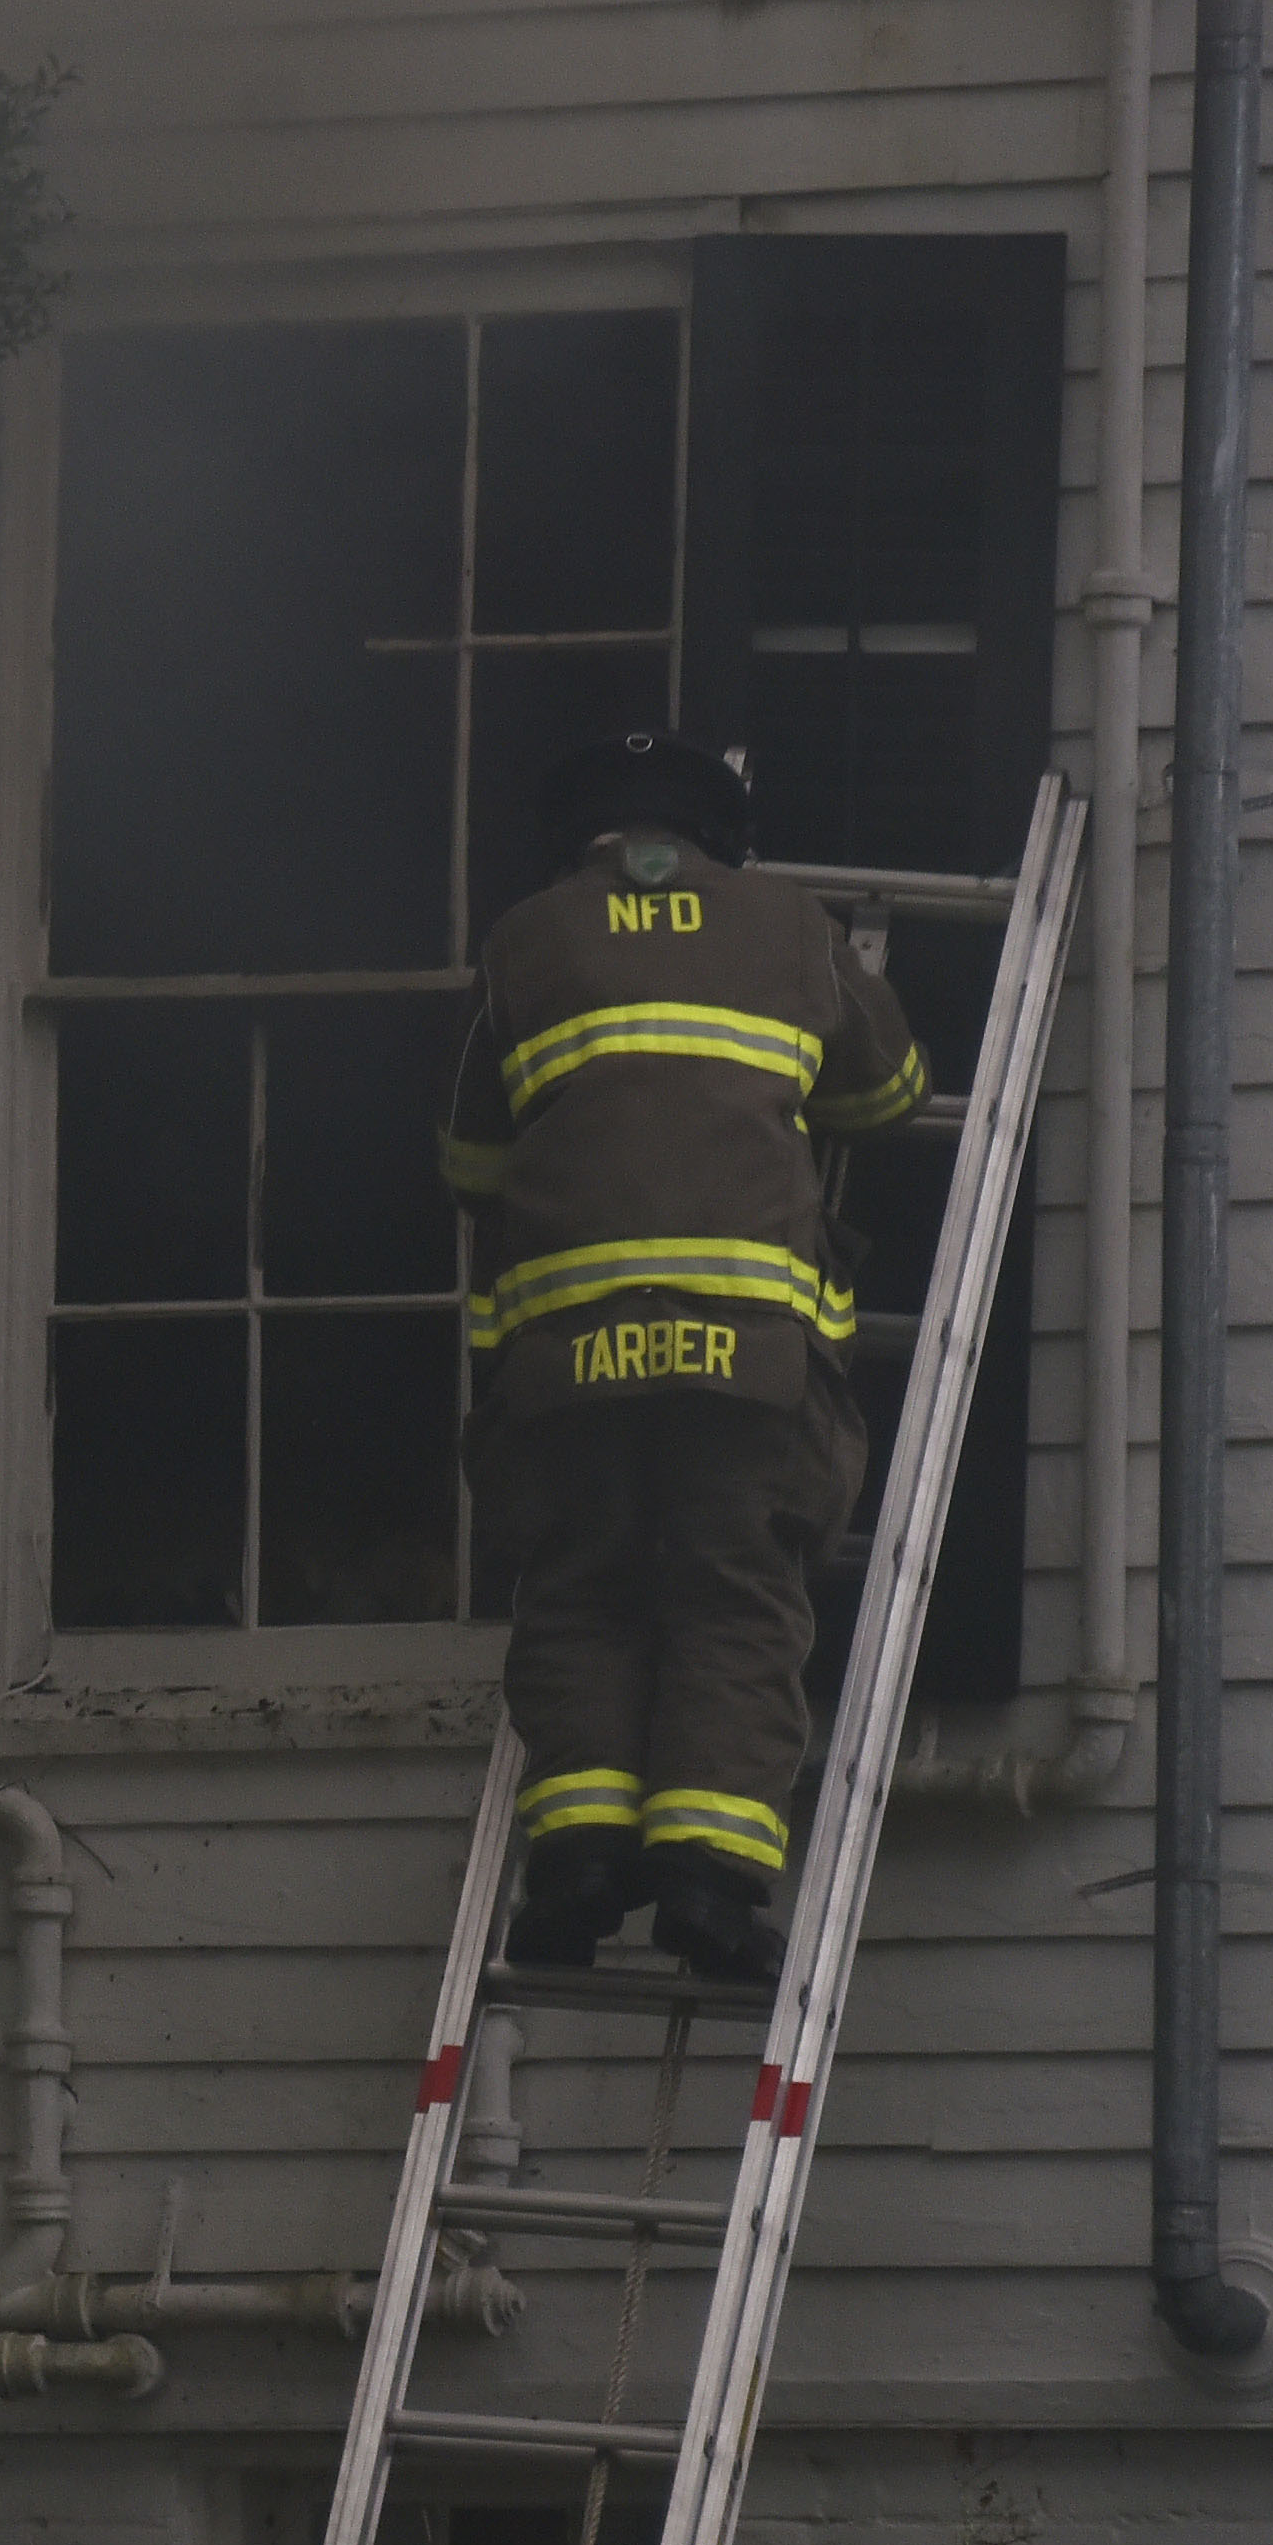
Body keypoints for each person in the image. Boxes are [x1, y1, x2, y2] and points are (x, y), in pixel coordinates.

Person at [438, 728, 921, 1987]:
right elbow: (885, 1096)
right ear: (719, 835)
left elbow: (468, 1166)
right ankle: (707, 1881)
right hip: (745, 1358)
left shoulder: (524, 941)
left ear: (577, 838)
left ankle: (582, 1858)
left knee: (582, 1593)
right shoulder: (788, 923)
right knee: (733, 1599)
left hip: (562, 1367)